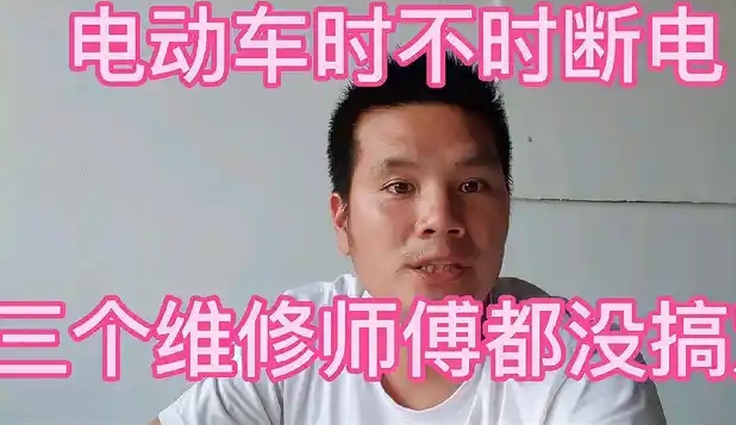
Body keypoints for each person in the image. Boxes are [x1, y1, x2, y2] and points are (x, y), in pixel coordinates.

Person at [151, 52, 667, 424]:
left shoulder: (587, 362)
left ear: (506, 208)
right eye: (400, 187)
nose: (440, 219)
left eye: (472, 185)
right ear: (342, 221)